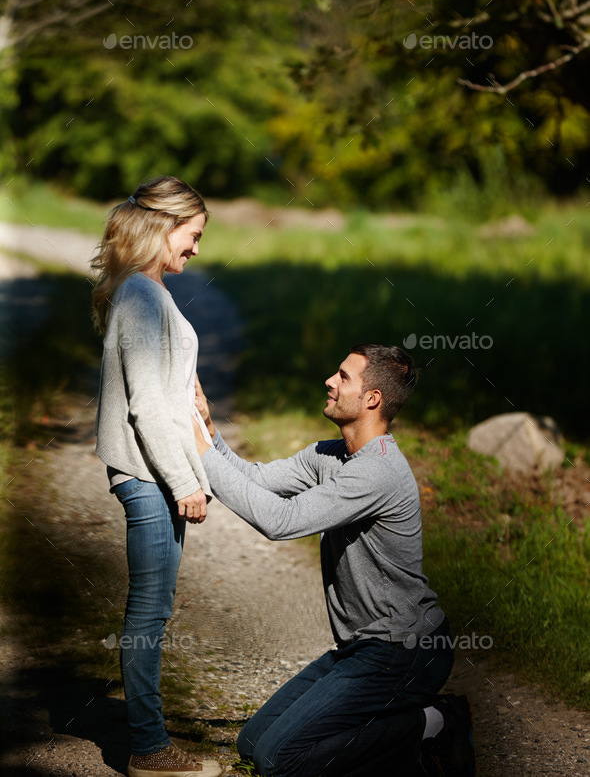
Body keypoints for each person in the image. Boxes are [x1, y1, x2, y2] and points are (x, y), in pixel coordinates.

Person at [191, 344, 476, 777]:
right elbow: (257, 479)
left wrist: (201, 453)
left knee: (279, 760)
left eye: (344, 376)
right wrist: (210, 435)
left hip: (405, 652)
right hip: (361, 648)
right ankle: (390, 734)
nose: (330, 380)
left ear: (372, 399)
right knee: (252, 743)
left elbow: (280, 521)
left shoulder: (377, 471)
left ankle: (435, 723)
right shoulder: (332, 454)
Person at [92, 176, 222, 777]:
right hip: (149, 476)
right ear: (163, 226)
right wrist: (185, 483)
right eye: (192, 236)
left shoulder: (147, 292)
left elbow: (161, 382)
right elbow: (144, 405)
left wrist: (192, 389)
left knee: (155, 608)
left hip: (153, 474)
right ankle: (148, 749)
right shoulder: (142, 295)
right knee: (149, 612)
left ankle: (150, 739)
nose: (196, 249)